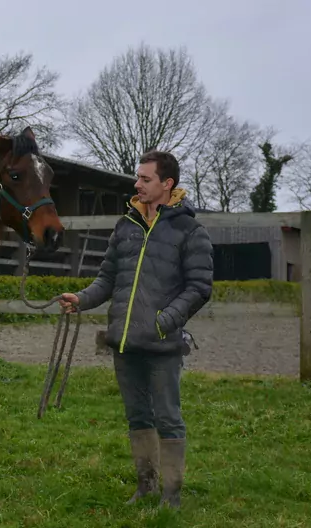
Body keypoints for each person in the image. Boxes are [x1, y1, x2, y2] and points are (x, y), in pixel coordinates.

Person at [58, 150, 213, 509]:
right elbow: (108, 279)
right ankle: (145, 486)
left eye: (145, 179)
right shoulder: (125, 225)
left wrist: (164, 322)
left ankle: (171, 495)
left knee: (168, 418)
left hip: (162, 345)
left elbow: (199, 287)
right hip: (124, 344)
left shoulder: (190, 230)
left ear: (167, 184)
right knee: (138, 417)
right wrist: (80, 299)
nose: (137, 184)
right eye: (138, 177)